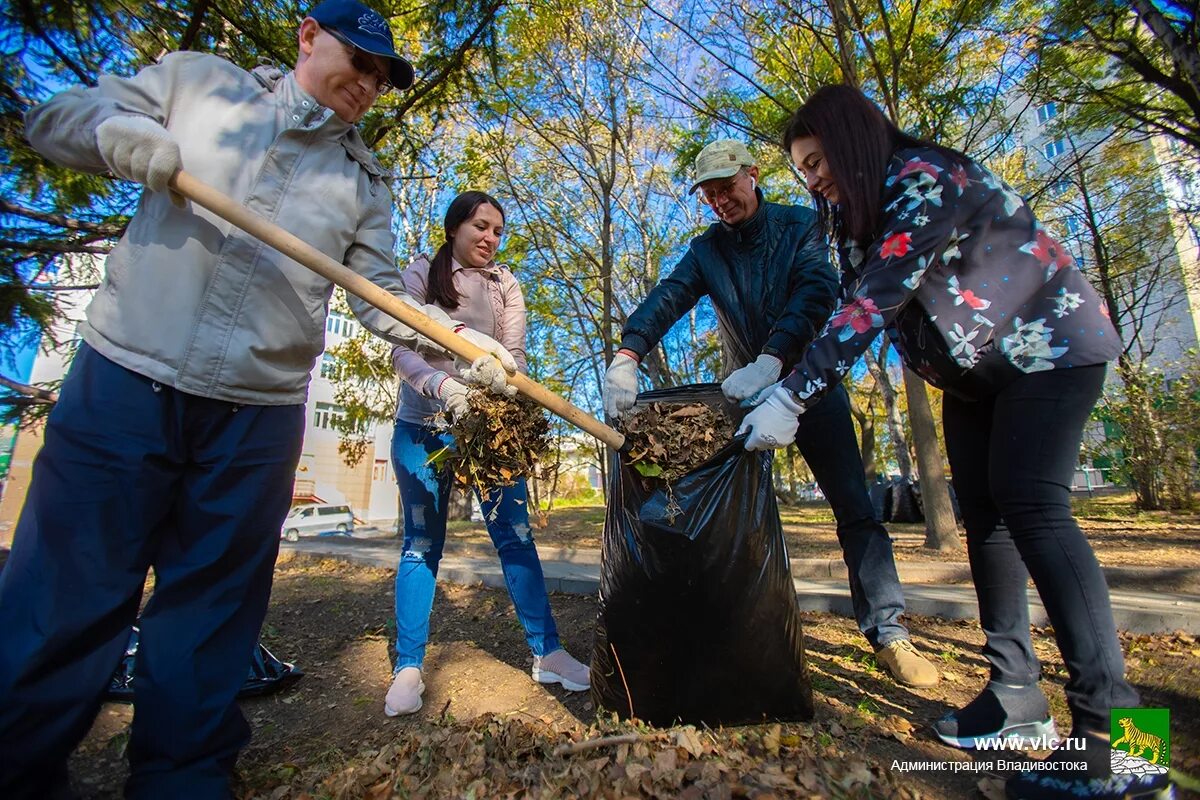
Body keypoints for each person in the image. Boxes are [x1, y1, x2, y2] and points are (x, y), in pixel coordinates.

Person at [0, 3, 518, 798]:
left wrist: (461, 343)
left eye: (383, 77)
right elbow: (56, 116)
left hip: (257, 416)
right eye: (362, 61)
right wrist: (117, 136)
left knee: (211, 619)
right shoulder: (199, 85)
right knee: (66, 596)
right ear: (309, 35)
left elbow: (380, 296)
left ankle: (183, 778)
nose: (370, 84)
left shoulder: (362, 179)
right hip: (126, 385)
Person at [741, 84, 1172, 800]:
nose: (812, 178)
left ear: (854, 141)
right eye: (803, 168)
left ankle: (1124, 750)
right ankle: (1016, 700)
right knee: (988, 519)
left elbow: (875, 299)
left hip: (1052, 348)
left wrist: (794, 393)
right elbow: (853, 295)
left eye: (818, 161)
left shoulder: (924, 180)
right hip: (979, 376)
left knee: (1035, 510)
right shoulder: (853, 217)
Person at [602, 139, 940, 688]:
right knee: (737, 517)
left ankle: (889, 633)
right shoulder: (707, 250)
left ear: (752, 175)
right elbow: (669, 295)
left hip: (810, 385)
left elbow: (816, 291)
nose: (719, 200)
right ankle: (737, 624)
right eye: (708, 192)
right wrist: (628, 353)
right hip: (744, 401)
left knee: (855, 508)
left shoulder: (801, 225)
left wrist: (772, 359)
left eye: (726, 186)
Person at [383, 191, 590, 716]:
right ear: (455, 226)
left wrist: (500, 386)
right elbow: (400, 346)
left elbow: (514, 356)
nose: (490, 239)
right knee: (421, 544)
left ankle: (549, 653)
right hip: (422, 427)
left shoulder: (505, 285)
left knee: (516, 540)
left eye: (498, 231)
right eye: (481, 226)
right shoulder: (420, 272)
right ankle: (408, 666)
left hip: (487, 430)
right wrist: (442, 387)